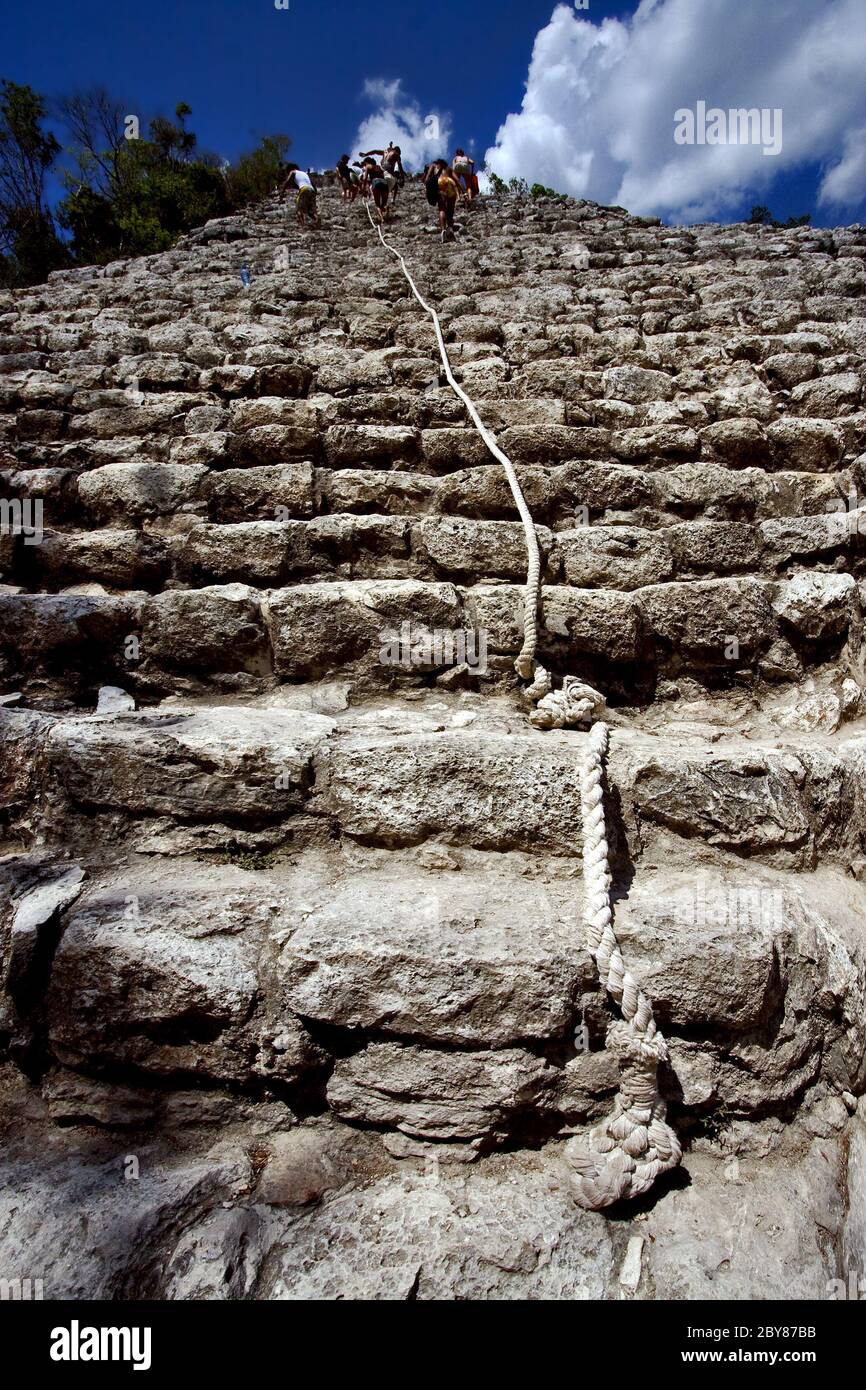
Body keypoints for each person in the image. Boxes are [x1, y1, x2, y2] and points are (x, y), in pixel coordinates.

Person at [361, 157, 391, 224]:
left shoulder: (368, 166)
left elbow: (365, 178)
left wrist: (363, 190)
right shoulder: (379, 167)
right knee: (384, 204)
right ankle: (387, 212)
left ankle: (382, 218)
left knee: (377, 204)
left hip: (376, 182)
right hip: (384, 183)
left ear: (367, 162)